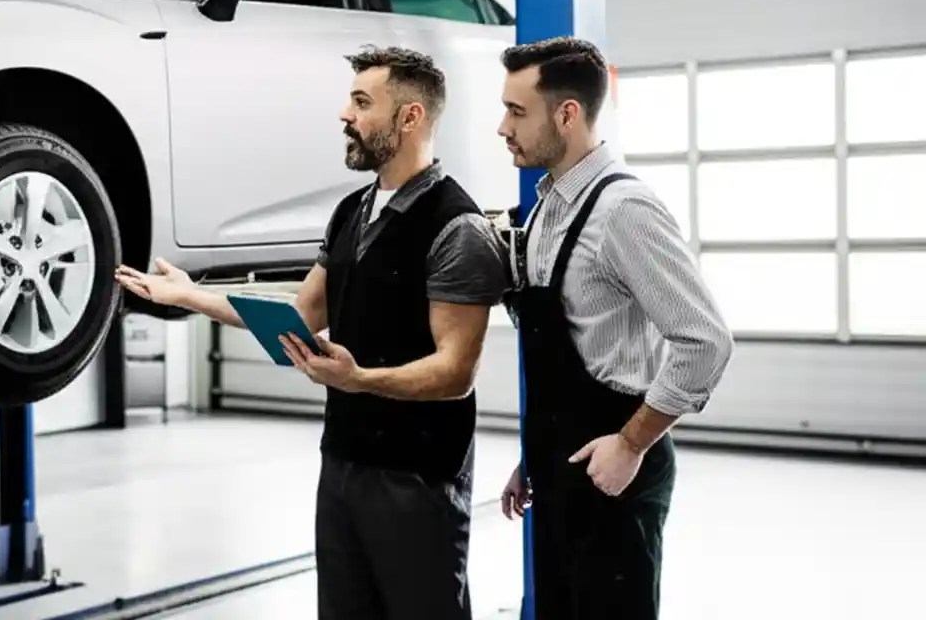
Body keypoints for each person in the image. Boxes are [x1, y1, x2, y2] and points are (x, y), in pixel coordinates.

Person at [115, 45, 509, 620]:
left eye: (361, 102)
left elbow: (456, 373)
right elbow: (301, 318)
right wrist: (190, 295)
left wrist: (359, 379)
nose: (344, 115)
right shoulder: (351, 211)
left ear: (410, 118)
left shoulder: (456, 227)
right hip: (343, 464)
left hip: (418, 478)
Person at [495, 36, 735, 620]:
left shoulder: (623, 210)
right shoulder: (551, 203)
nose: (503, 127)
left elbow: (705, 340)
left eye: (517, 111)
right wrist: (536, 454)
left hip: (617, 473)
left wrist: (631, 444)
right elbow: (570, 340)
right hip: (560, 468)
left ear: (567, 114)